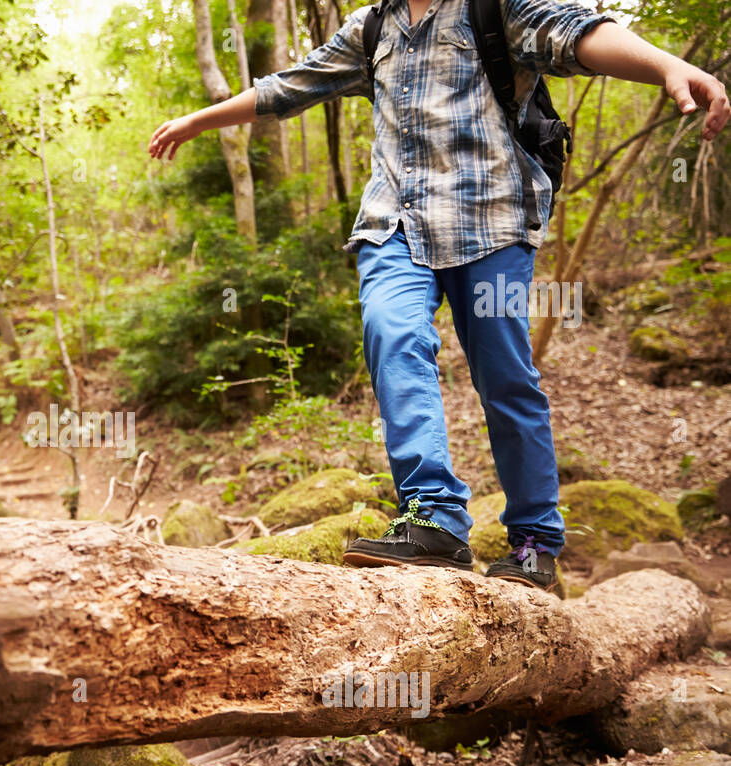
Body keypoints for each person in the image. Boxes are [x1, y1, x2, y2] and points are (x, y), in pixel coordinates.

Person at [148, 0, 728, 590]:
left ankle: (532, 543)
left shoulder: (495, 9)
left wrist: (664, 66)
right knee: (391, 331)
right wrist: (200, 120)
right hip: (393, 226)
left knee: (506, 378)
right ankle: (436, 520)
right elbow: (291, 87)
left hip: (492, 224)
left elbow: (577, 35)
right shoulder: (370, 28)